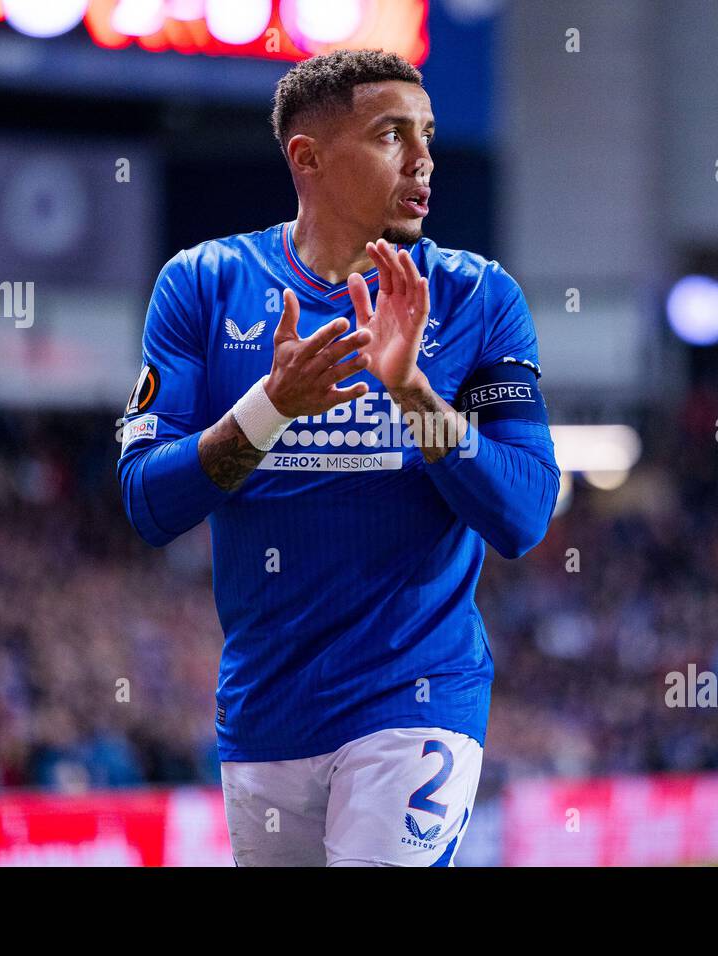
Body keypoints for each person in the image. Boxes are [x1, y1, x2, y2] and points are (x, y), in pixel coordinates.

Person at [118, 49, 558, 866]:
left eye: (426, 135)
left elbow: (525, 514)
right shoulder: (202, 285)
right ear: (307, 157)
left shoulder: (477, 297)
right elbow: (146, 502)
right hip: (264, 713)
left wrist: (417, 397)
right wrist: (269, 407)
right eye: (393, 135)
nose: (423, 160)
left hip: (417, 698)